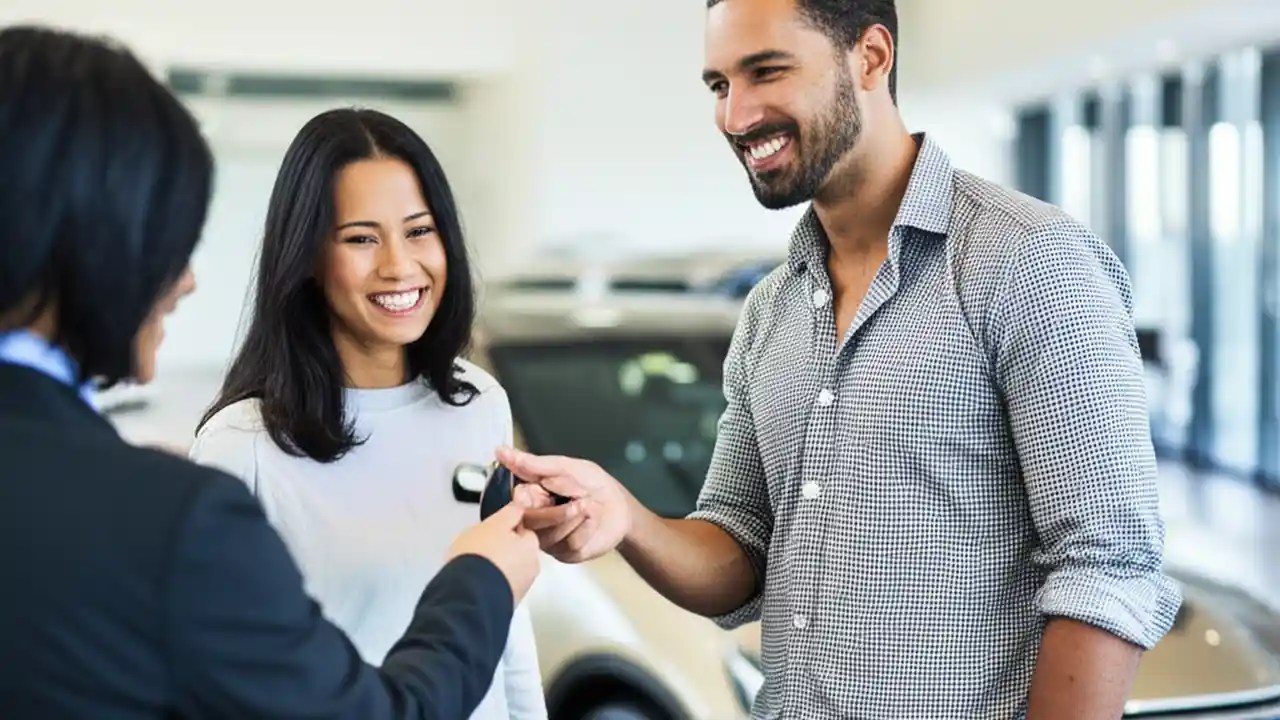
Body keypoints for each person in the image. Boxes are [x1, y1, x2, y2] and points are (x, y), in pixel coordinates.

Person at [500, 0, 1183, 718]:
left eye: (766, 72)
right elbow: (739, 547)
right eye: (719, 86)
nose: (736, 116)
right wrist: (626, 516)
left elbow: (1107, 568)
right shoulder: (772, 309)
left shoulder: (1028, 263)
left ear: (871, 57)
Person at [0, 24, 540, 720]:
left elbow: (513, 652)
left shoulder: (480, 403)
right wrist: (483, 577)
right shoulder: (189, 496)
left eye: (419, 229)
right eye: (169, 237)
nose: (188, 280)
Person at [187, 108, 546, 720]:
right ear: (306, 255)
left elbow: (505, 625)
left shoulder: (479, 403)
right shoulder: (242, 445)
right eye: (361, 238)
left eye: (418, 230)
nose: (399, 266)